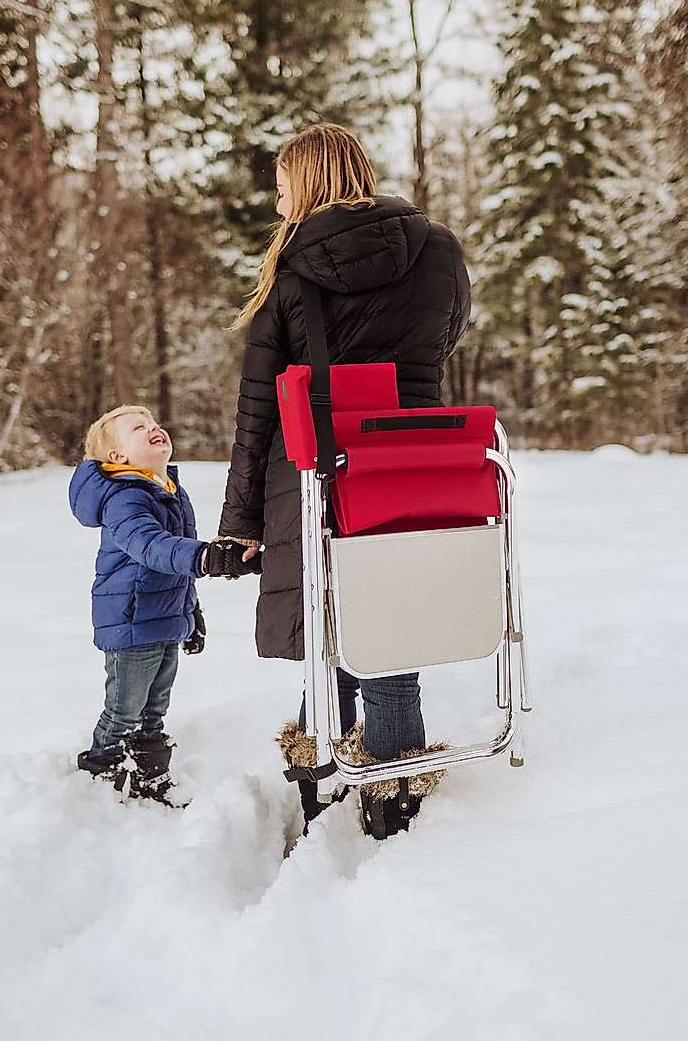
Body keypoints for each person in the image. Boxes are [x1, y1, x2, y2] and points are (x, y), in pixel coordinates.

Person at [216, 123, 471, 838]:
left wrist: (240, 520)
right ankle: (393, 798)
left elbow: (258, 406)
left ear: (311, 181)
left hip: (316, 472)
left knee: (332, 629)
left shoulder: (294, 270)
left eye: (282, 187)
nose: (277, 206)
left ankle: (318, 786)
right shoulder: (440, 249)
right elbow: (445, 337)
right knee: (390, 622)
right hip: (410, 458)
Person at [69, 404, 259, 802]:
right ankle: (96, 782)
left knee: (154, 710)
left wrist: (191, 613)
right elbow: (152, 548)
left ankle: (149, 779)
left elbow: (173, 572)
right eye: (139, 427)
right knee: (124, 711)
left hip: (163, 621)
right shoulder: (124, 498)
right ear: (117, 457)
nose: (155, 429)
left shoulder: (168, 491)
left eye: (154, 423)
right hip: (131, 623)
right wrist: (206, 557)